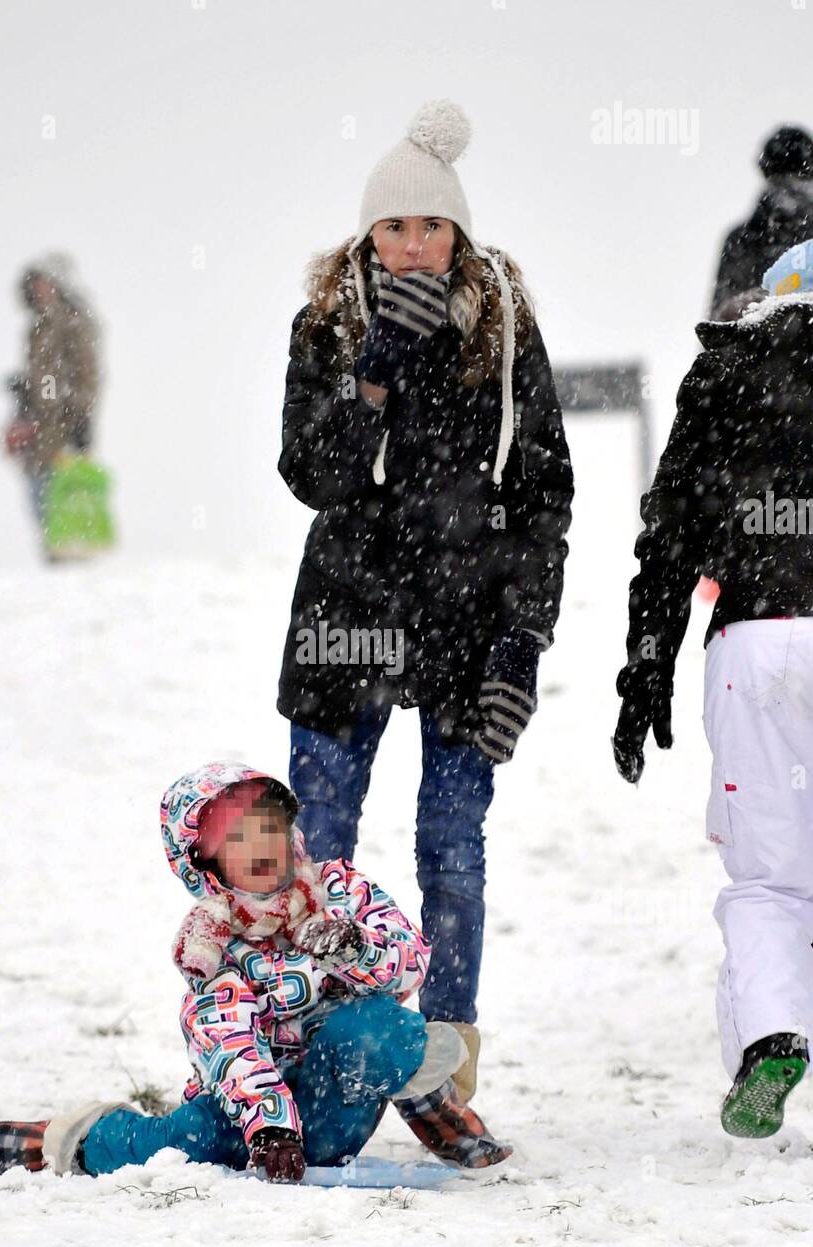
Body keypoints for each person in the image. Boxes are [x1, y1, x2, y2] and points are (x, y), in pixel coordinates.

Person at [276, 100, 573, 1101]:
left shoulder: (503, 336)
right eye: (394, 227)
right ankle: (305, 1029)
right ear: (367, 235)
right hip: (344, 615)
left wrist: (520, 649)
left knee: (452, 844)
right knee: (316, 839)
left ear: (459, 234)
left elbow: (544, 500)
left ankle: (446, 1055)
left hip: (464, 621)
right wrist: (373, 379)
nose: (412, 245)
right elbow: (315, 478)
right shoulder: (325, 327)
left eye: (431, 226)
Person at [0, 762, 511, 1182]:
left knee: (379, 1028)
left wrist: (354, 947)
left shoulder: (337, 890)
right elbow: (229, 1042)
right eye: (238, 839)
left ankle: (437, 1113)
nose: (261, 848)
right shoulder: (212, 947)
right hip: (244, 1116)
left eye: (269, 828)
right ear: (204, 862)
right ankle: (65, 1142)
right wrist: (270, 1125)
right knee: (184, 1143)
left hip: (335, 1098)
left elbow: (411, 962)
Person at [613, 238, 813, 1139]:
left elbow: (669, 536)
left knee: (769, 880)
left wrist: (644, 666)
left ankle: (772, 1035)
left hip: (755, 642)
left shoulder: (723, 374)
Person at [4, 252, 100, 556]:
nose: (39, 290)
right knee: (38, 494)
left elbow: (85, 373)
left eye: (44, 283)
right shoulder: (40, 325)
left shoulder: (73, 322)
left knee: (62, 493)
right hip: (41, 424)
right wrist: (25, 391)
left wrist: (81, 413)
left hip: (64, 424)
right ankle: (56, 551)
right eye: (36, 284)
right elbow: (46, 376)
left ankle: (72, 554)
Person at [710, 125, 813, 322]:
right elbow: (719, 324)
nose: (790, 190)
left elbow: (718, 327)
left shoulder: (743, 238)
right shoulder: (743, 240)